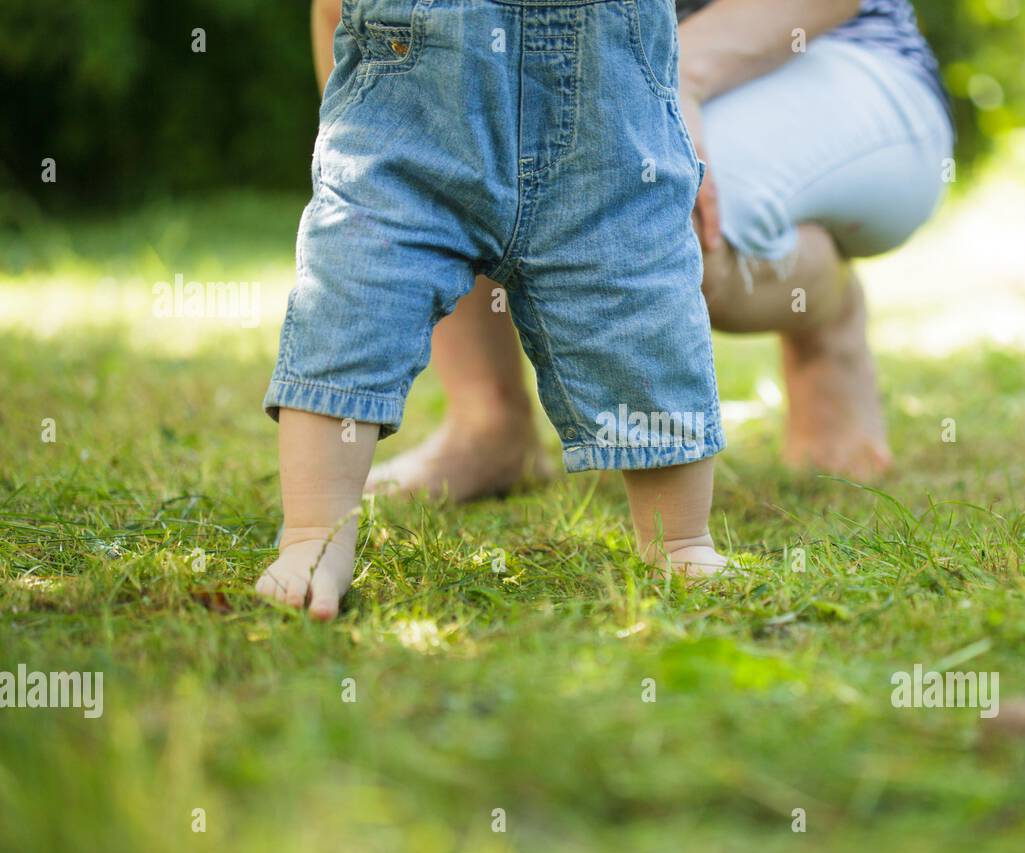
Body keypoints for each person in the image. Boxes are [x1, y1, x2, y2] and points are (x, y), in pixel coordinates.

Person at [343, 0, 954, 502]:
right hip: (606, 64)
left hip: (834, 52)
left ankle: (827, 312)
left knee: (650, 229)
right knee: (474, 124)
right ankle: (489, 421)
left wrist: (671, 78)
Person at [258, 0, 729, 618]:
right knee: (353, 295)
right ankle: (312, 533)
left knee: (642, 311)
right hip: (411, 108)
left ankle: (678, 538)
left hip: (607, 114)